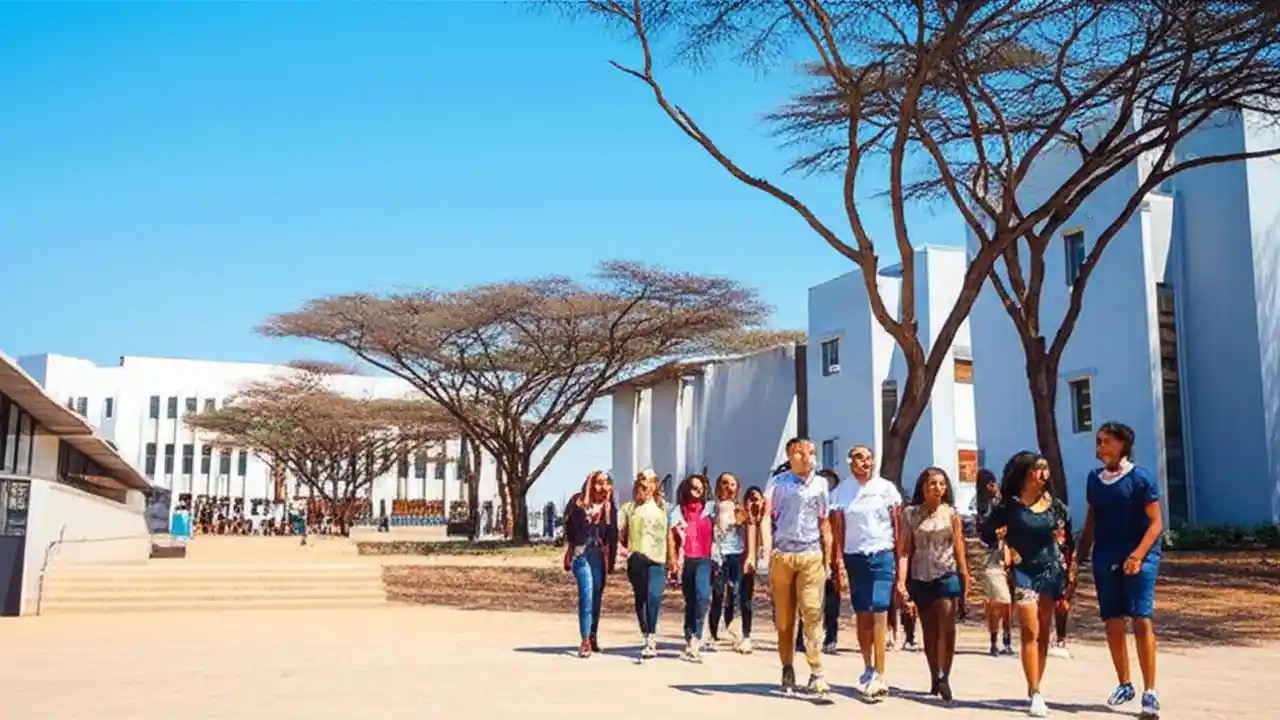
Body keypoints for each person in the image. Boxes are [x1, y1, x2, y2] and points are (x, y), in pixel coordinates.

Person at [1077, 422, 1164, 719]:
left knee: (1141, 618)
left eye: (1106, 441)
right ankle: (1124, 683)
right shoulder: (1094, 479)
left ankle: (1149, 692)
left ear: (1122, 444)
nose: (1100, 446)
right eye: (1098, 441)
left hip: (1141, 555)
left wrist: (1138, 556)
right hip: (1106, 556)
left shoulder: (1141, 479)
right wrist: (1078, 558)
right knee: (1113, 620)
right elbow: (1091, 520)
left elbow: (1156, 524)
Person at [980, 452, 1073, 718]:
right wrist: (1003, 542)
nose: (1044, 474)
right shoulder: (1009, 507)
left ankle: (1037, 684)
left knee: (1044, 631)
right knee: (1030, 629)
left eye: (1046, 469)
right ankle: (1035, 692)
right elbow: (986, 533)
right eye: (1038, 469)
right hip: (1023, 571)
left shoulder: (1055, 506)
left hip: (1051, 569)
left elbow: (1067, 541)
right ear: (1025, 473)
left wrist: (1069, 576)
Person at [760, 437, 834, 699]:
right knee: (785, 617)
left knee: (812, 611)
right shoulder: (778, 484)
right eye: (801, 453)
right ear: (791, 456)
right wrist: (766, 552)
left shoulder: (821, 484)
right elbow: (766, 520)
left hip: (810, 553)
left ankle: (817, 670)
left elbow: (825, 522)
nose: (808, 457)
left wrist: (829, 559)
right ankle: (787, 665)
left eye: (811, 453)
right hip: (783, 555)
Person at [830, 444, 900, 701]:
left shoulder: (886, 489)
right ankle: (868, 666)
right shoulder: (841, 493)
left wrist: (899, 560)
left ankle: (881, 673)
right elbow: (837, 530)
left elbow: (897, 525)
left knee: (880, 611)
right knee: (863, 615)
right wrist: (837, 561)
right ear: (850, 462)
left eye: (869, 458)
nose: (865, 463)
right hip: (855, 557)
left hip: (882, 554)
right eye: (860, 458)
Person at [897, 467, 971, 702]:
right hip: (920, 575)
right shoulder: (910, 515)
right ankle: (934, 675)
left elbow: (959, 549)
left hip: (946, 574)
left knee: (947, 628)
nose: (938, 488)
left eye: (941, 484)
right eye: (933, 484)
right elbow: (906, 550)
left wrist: (964, 577)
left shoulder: (951, 514)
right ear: (923, 487)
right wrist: (901, 581)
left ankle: (945, 676)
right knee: (930, 630)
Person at [562, 470, 619, 658]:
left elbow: (612, 536)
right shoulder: (577, 503)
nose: (602, 487)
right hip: (581, 555)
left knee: (596, 596)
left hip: (599, 556)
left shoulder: (609, 507)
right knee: (586, 594)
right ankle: (585, 639)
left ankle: (593, 634)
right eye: (599, 482)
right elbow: (569, 528)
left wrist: (611, 562)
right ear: (590, 484)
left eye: (606, 483)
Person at [618, 468, 668, 660]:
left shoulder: (663, 507)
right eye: (642, 482)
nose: (646, 486)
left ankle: (652, 635)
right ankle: (646, 634)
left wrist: (674, 559)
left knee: (654, 595)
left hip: (657, 558)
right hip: (637, 557)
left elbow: (670, 533)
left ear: (655, 485)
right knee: (641, 597)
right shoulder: (629, 508)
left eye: (650, 482)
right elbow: (620, 533)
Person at [668, 473, 714, 662]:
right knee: (691, 599)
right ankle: (689, 633)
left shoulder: (710, 509)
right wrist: (671, 560)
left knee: (703, 596)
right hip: (685, 559)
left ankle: (697, 635)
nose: (697, 490)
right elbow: (670, 536)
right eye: (693, 486)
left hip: (705, 558)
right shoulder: (678, 511)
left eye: (700, 486)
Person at [797, 468, 843, 655]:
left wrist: (837, 560)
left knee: (832, 601)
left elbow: (839, 536)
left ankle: (830, 637)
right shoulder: (807, 506)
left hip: (831, 559)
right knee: (805, 600)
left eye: (830, 483)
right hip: (809, 556)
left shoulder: (838, 508)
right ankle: (800, 638)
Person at [974, 469, 1015, 656]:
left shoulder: (1005, 504)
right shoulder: (981, 508)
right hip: (991, 558)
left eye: (994, 482)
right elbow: (983, 533)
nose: (993, 487)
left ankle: (1006, 638)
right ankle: (993, 639)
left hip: (1011, 556)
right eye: (988, 484)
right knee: (998, 600)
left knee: (1009, 602)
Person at [708, 472, 745, 648]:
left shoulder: (740, 507)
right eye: (725, 483)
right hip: (718, 555)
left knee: (734, 591)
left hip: (736, 554)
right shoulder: (713, 507)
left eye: (732, 484)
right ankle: (713, 632)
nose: (728, 487)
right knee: (717, 593)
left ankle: (731, 628)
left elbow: (745, 526)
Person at [736, 484, 766, 654]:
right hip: (746, 563)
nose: (754, 503)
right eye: (751, 499)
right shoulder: (742, 518)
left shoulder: (769, 518)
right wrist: (748, 515)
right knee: (745, 599)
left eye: (757, 499)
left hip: (767, 563)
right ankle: (746, 635)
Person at [1047, 489, 1076, 660]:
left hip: (1060, 562)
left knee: (1062, 604)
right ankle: (1043, 637)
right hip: (1038, 562)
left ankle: (1060, 640)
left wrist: (1072, 565)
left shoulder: (1062, 510)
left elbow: (1070, 541)